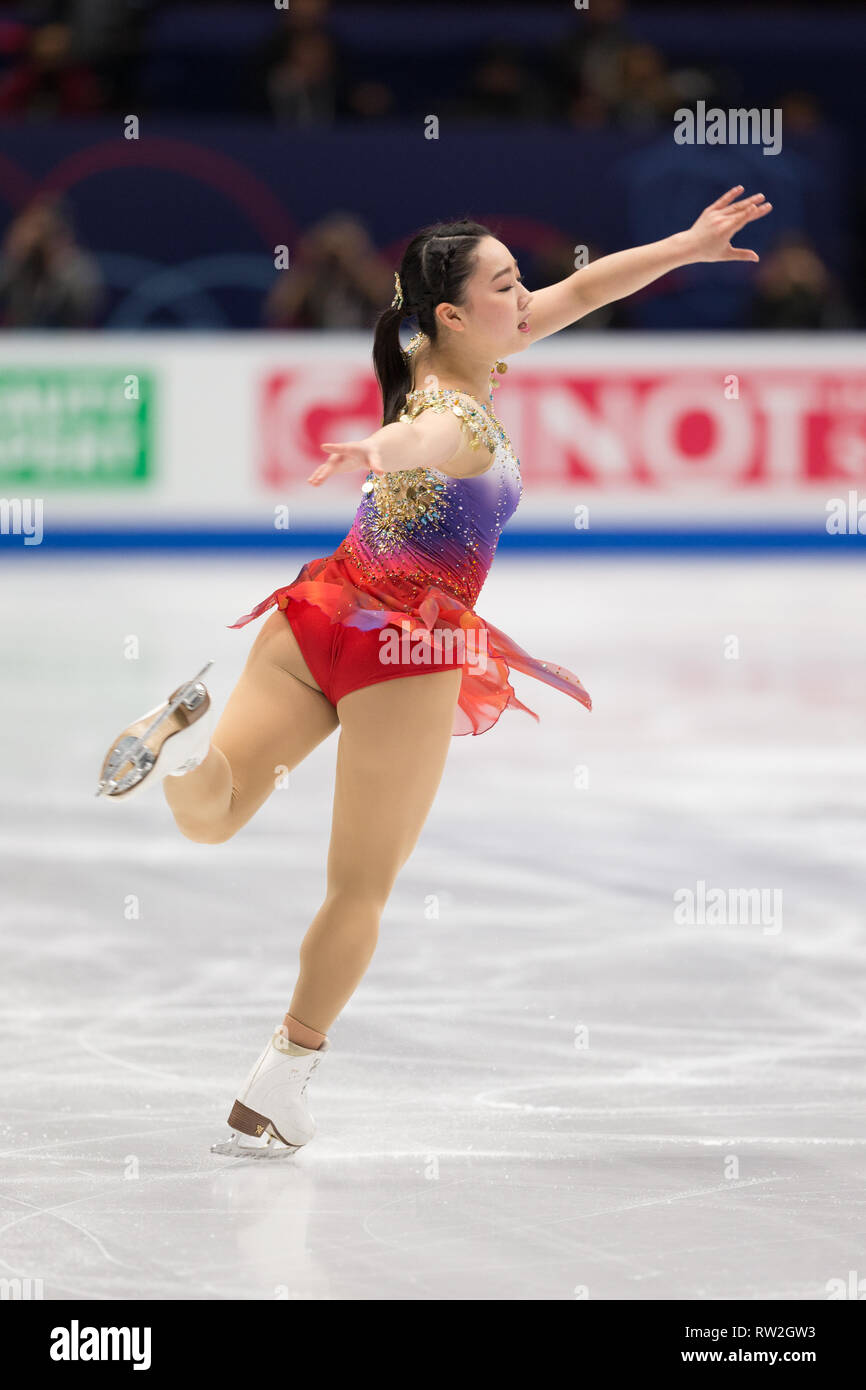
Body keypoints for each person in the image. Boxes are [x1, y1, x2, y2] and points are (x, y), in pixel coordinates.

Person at [95, 188, 772, 1159]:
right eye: (505, 285)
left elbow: (583, 286)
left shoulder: (432, 358)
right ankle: (279, 1081)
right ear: (452, 313)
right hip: (399, 652)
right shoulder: (453, 411)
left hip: (314, 615)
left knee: (212, 814)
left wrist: (689, 245)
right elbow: (420, 440)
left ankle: (176, 739)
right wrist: (376, 445)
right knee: (360, 885)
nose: (526, 295)